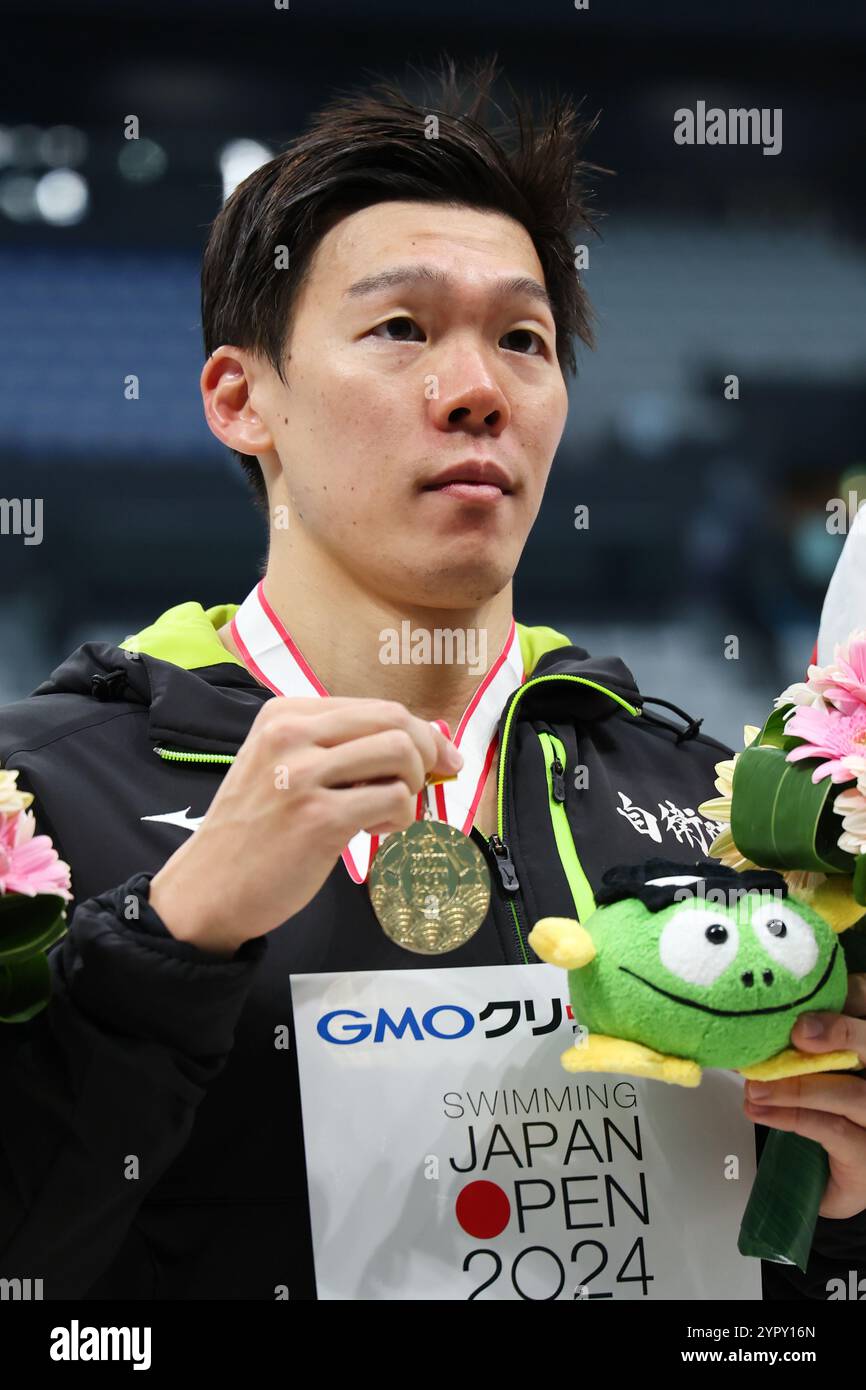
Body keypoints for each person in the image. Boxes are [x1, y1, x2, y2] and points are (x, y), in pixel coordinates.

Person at [1, 57, 863, 1302]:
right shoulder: (35, 807)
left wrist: (837, 1221)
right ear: (243, 398)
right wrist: (166, 939)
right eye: (400, 328)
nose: (475, 393)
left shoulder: (727, 813)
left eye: (522, 339)